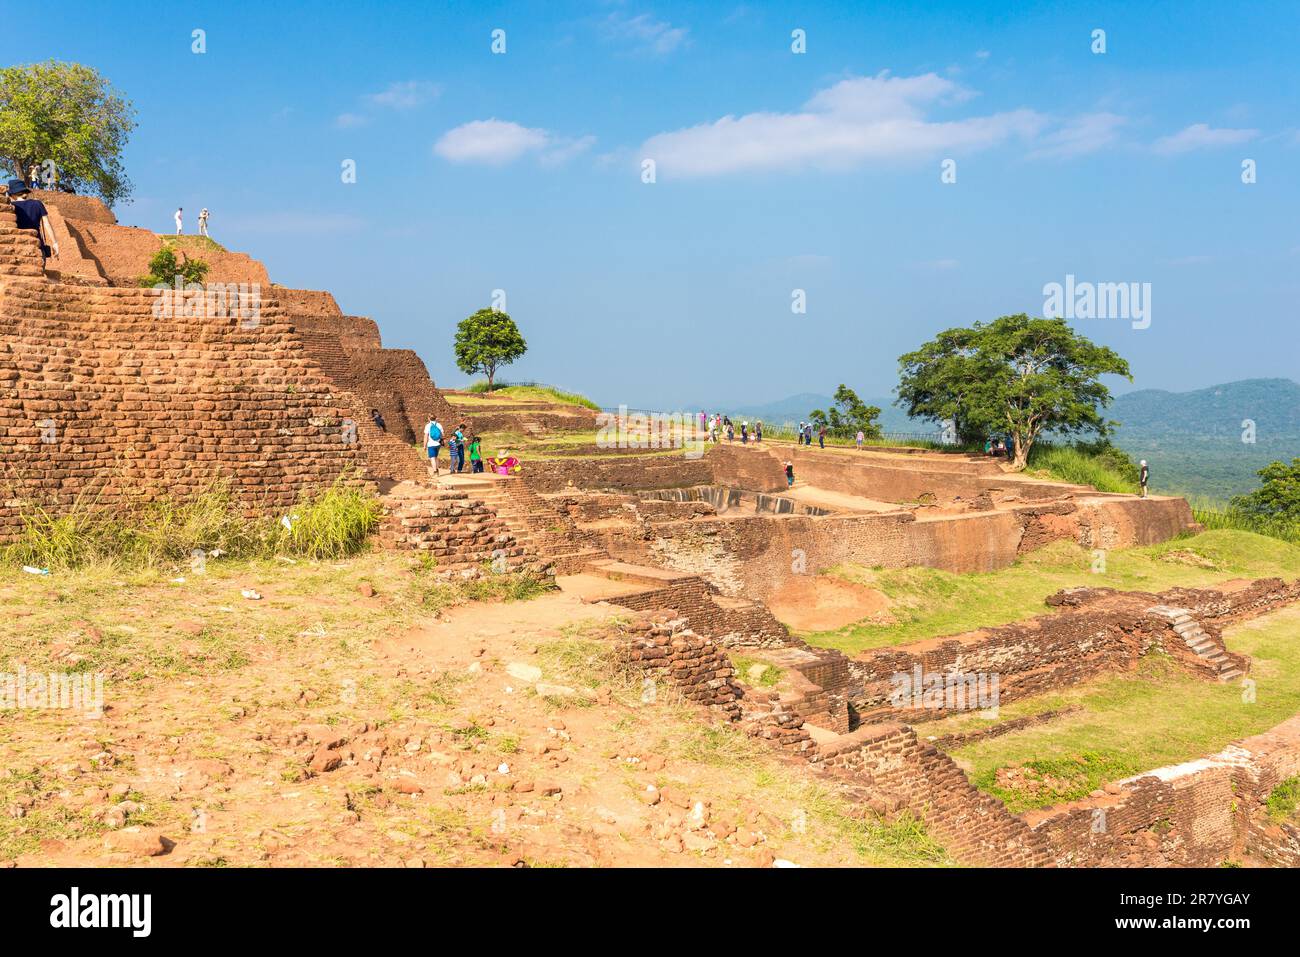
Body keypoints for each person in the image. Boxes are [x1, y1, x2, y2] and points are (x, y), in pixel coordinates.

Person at [6, 180, 59, 262]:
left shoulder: (12, 207)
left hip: (18, 247)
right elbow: (47, 224)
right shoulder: (37, 203)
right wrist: (55, 243)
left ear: (12, 194)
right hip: (37, 247)